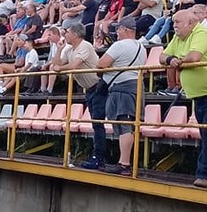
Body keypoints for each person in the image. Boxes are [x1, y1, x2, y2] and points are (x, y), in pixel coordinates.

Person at [161, 7, 207, 189]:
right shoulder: (179, 37)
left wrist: (177, 60)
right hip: (199, 94)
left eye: (178, 22)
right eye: (174, 22)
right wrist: (171, 61)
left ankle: (204, 174)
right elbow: (163, 56)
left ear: (191, 23)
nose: (174, 25)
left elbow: (194, 57)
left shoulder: (201, 33)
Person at [97, 16, 147, 176]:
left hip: (122, 88)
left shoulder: (119, 45)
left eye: (118, 29)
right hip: (134, 85)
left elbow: (101, 64)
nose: (117, 32)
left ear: (125, 29)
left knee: (124, 123)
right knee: (125, 123)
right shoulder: (142, 47)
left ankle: (124, 163)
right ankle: (123, 161)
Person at [54, 23, 104, 169]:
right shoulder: (69, 49)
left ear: (75, 34)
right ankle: (98, 156)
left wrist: (59, 68)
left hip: (99, 86)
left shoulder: (85, 46)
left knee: (98, 122)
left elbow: (73, 66)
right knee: (96, 123)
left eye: (67, 31)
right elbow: (55, 64)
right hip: (89, 88)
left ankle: (99, 158)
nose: (64, 35)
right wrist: (59, 50)